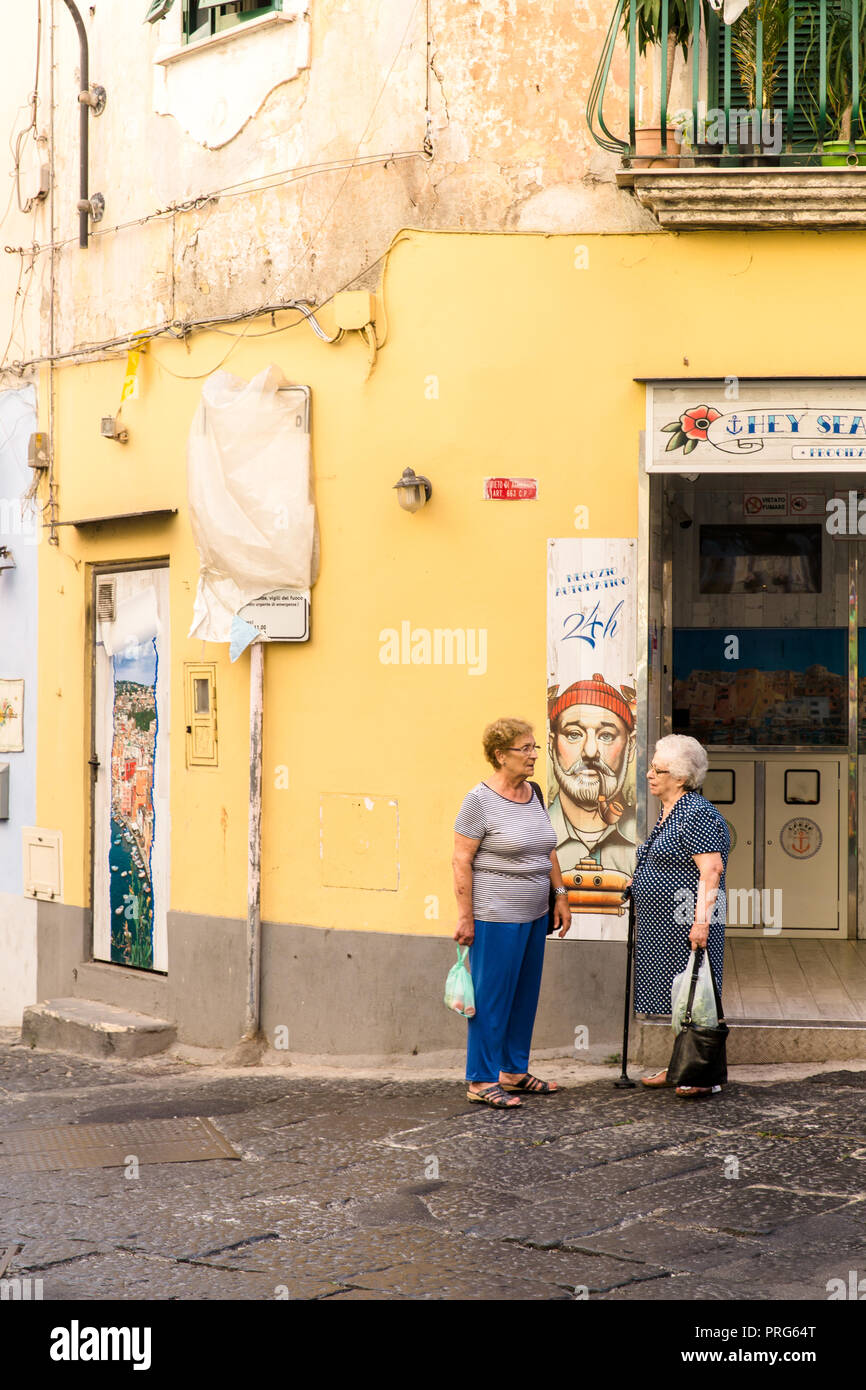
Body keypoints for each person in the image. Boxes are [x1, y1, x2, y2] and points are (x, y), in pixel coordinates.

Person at [453, 717, 571, 1108]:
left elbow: (546, 849)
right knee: (491, 997)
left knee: (524, 995)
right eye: (526, 749)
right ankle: (481, 1079)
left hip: (535, 913)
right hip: (495, 915)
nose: (534, 755)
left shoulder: (533, 793)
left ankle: (513, 1070)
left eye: (535, 748)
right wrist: (465, 916)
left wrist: (560, 895)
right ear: (500, 755)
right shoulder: (478, 801)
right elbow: (460, 861)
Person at [631, 734, 729, 1099]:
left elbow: (711, 870)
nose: (650, 774)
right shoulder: (671, 810)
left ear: (682, 778)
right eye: (651, 767)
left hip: (689, 921)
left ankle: (703, 1075)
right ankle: (680, 1065)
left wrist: (701, 921)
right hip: (666, 925)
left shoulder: (697, 813)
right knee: (681, 997)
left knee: (697, 995)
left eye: (659, 770)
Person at [547, 675, 637, 877]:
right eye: (573, 734)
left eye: (606, 735)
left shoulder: (646, 836)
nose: (589, 751)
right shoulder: (538, 832)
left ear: (630, 746)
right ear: (552, 745)